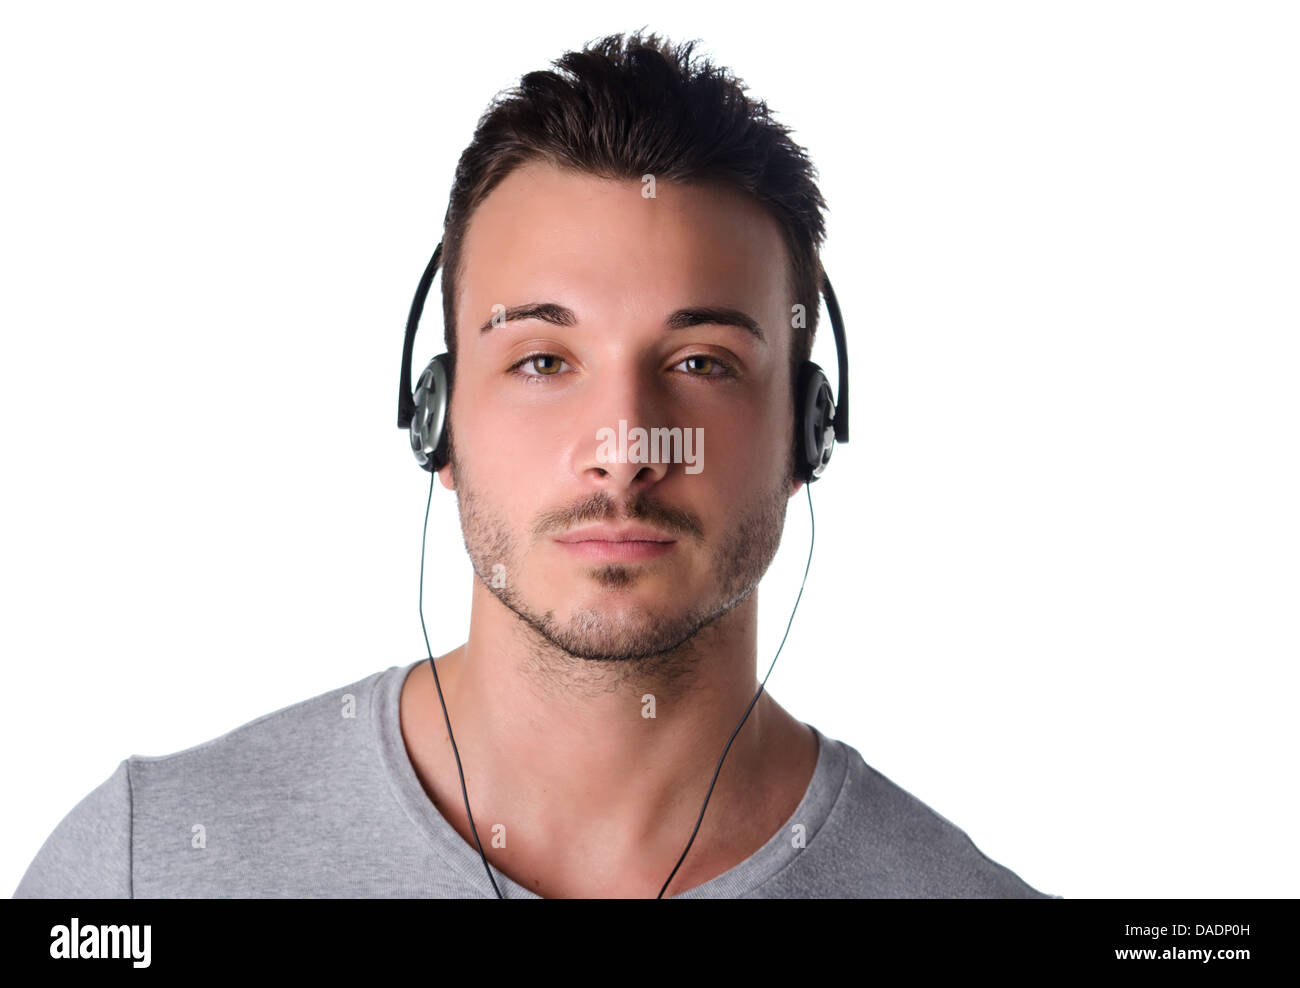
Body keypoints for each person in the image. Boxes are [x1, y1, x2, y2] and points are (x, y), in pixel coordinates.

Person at [14, 30, 1052, 899]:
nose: (623, 445)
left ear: (805, 433)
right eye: (543, 360)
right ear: (438, 419)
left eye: (700, 362)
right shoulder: (143, 871)